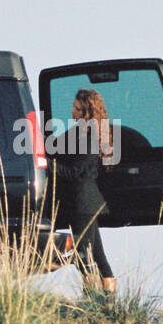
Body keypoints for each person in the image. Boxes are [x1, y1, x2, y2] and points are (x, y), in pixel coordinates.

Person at [51, 88, 116, 295]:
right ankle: (108, 303)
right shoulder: (79, 134)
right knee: (97, 256)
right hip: (84, 204)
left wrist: (48, 165)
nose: (72, 112)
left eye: (77, 108)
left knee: (83, 256)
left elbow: (75, 172)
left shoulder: (88, 137)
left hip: (83, 204)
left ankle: (93, 301)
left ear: (87, 111)